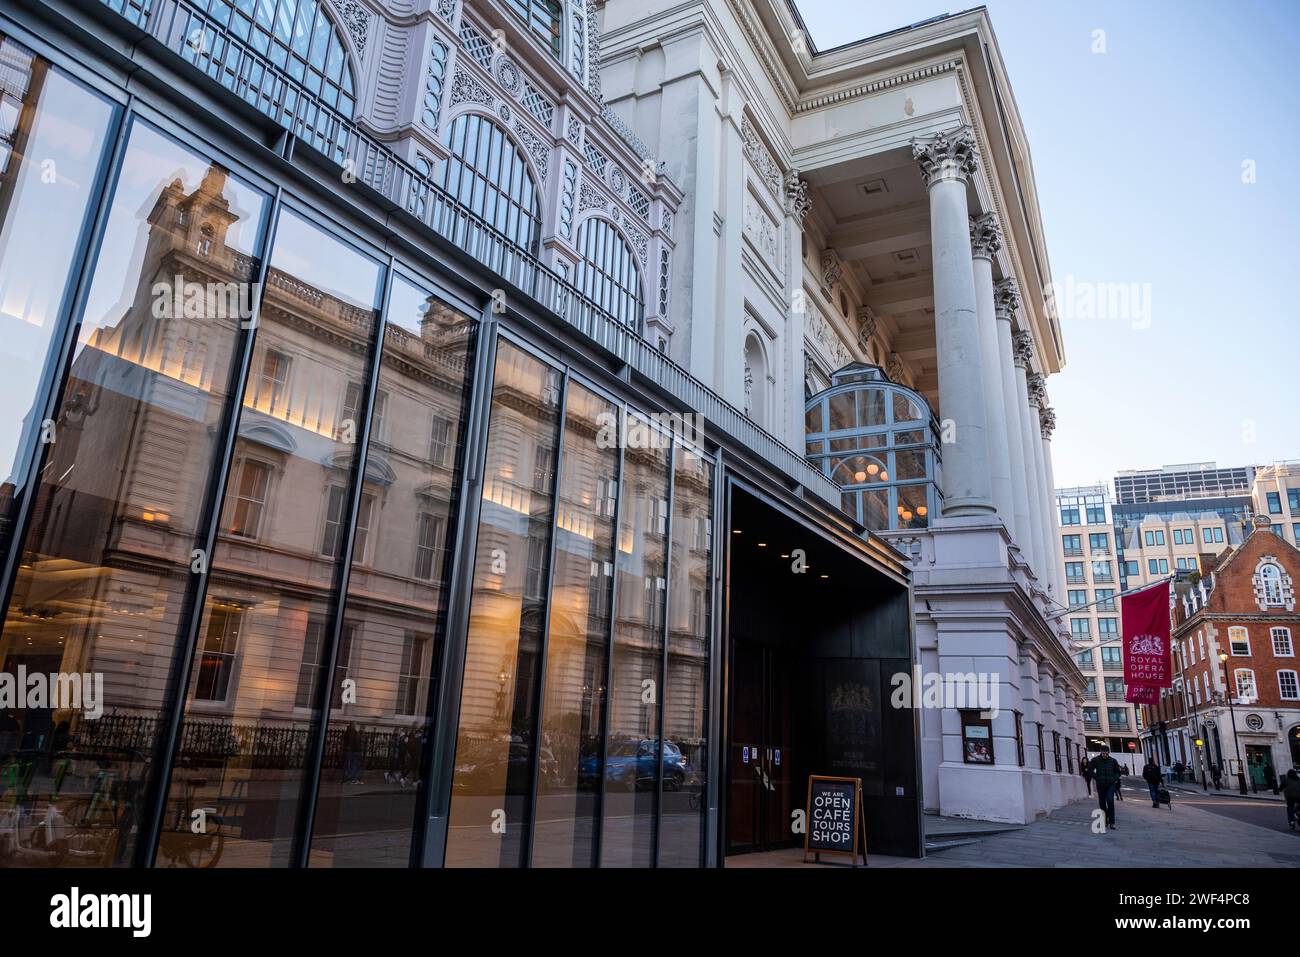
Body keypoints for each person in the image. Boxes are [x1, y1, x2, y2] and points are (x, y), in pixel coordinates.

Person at [1088, 745, 1123, 830]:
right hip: (1100, 785)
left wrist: (1114, 778)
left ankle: (1112, 822)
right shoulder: (1096, 760)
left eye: (1106, 753)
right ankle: (1105, 818)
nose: (1104, 755)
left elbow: (1118, 772)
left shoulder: (1113, 761)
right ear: (1101, 752)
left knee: (1110, 800)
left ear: (1108, 753)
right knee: (1102, 803)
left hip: (1110, 784)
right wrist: (1097, 778)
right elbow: (1090, 769)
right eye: (1103, 753)